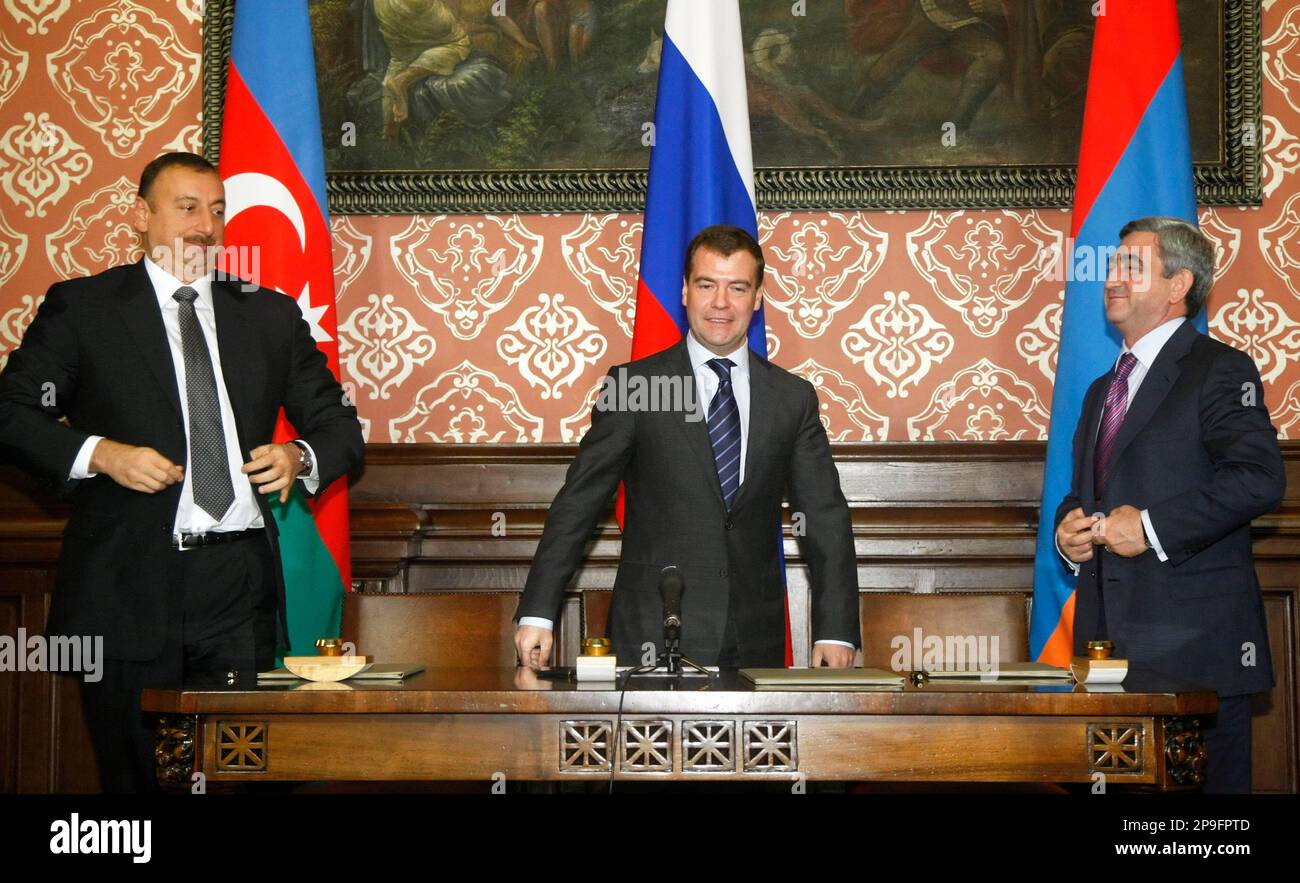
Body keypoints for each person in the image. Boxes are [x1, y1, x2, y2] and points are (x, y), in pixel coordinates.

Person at [0, 152, 365, 792]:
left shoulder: (268, 313)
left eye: (218, 211)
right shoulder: (85, 309)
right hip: (130, 583)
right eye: (188, 207)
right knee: (137, 782)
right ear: (141, 215)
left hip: (238, 583)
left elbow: (339, 427)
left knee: (238, 776)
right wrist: (101, 454)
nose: (206, 226)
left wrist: (298, 455)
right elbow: (11, 412)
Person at [514, 226, 859, 671]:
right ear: (684, 291)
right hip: (651, 634)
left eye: (737, 287)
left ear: (757, 298)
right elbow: (579, 503)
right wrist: (539, 609)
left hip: (755, 640)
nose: (721, 302)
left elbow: (825, 516)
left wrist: (835, 628)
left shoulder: (792, 398)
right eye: (706, 285)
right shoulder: (636, 386)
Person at [1053, 216, 1284, 793]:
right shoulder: (1100, 390)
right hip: (1106, 661)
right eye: (1110, 266)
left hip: (1195, 654)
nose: (1110, 279)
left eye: (1129, 267)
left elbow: (1259, 479)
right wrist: (1069, 533)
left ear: (1178, 284)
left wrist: (1151, 528)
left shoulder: (1221, 370)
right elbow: (1084, 495)